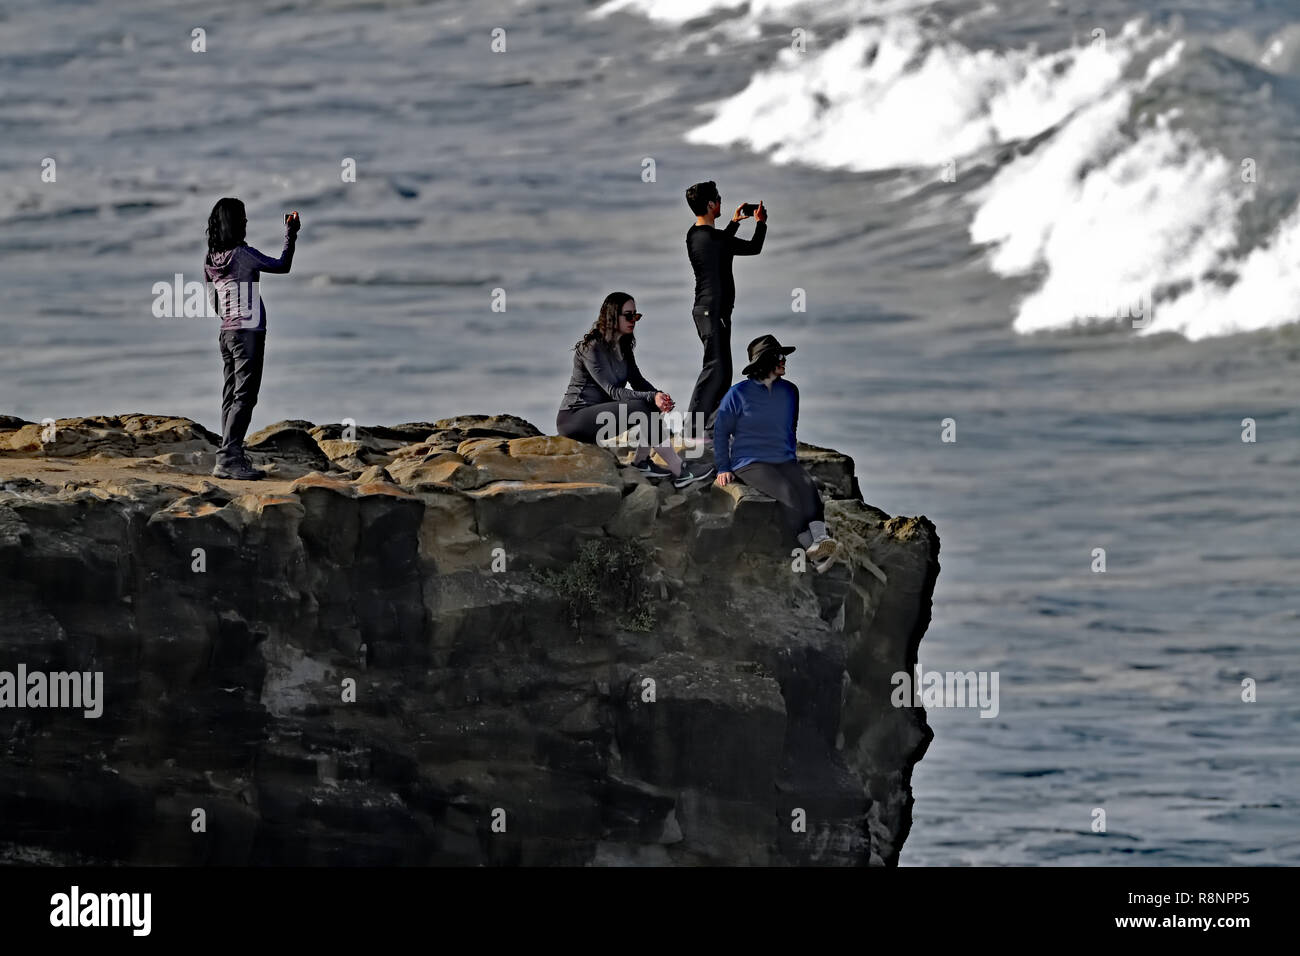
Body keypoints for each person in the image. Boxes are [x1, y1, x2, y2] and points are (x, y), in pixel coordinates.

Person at [558, 292, 714, 489]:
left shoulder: (623, 347)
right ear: (612, 315)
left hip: (601, 419)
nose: (634, 320)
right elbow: (613, 391)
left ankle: (641, 462)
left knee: (649, 404)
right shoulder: (592, 347)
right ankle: (680, 470)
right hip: (574, 419)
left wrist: (660, 396)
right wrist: (652, 397)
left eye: (636, 316)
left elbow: (638, 382)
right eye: (628, 315)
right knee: (642, 405)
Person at [714, 334, 839, 568]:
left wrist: (790, 458)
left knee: (807, 485)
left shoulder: (791, 391)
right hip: (749, 461)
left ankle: (822, 539)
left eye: (784, 356)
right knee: (786, 492)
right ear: (763, 362)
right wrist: (723, 467)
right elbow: (720, 432)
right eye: (779, 357)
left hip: (782, 458)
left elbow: (791, 427)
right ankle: (810, 550)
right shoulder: (737, 394)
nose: (784, 361)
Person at [203, 198, 299, 480]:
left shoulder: (210, 258)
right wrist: (290, 235)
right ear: (235, 222)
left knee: (230, 395)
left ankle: (229, 453)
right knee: (245, 397)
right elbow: (282, 266)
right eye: (243, 218)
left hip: (227, 333)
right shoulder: (243, 254)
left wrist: (230, 318)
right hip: (248, 333)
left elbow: (215, 302)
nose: (246, 223)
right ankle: (229, 459)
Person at [684, 180, 767, 438]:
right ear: (710, 205)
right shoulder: (717, 239)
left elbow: (718, 245)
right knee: (715, 368)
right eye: (718, 198)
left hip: (707, 311)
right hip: (713, 312)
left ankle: (709, 426)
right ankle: (693, 430)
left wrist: (735, 222)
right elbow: (754, 247)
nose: (720, 200)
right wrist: (761, 222)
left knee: (721, 369)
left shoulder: (694, 235)